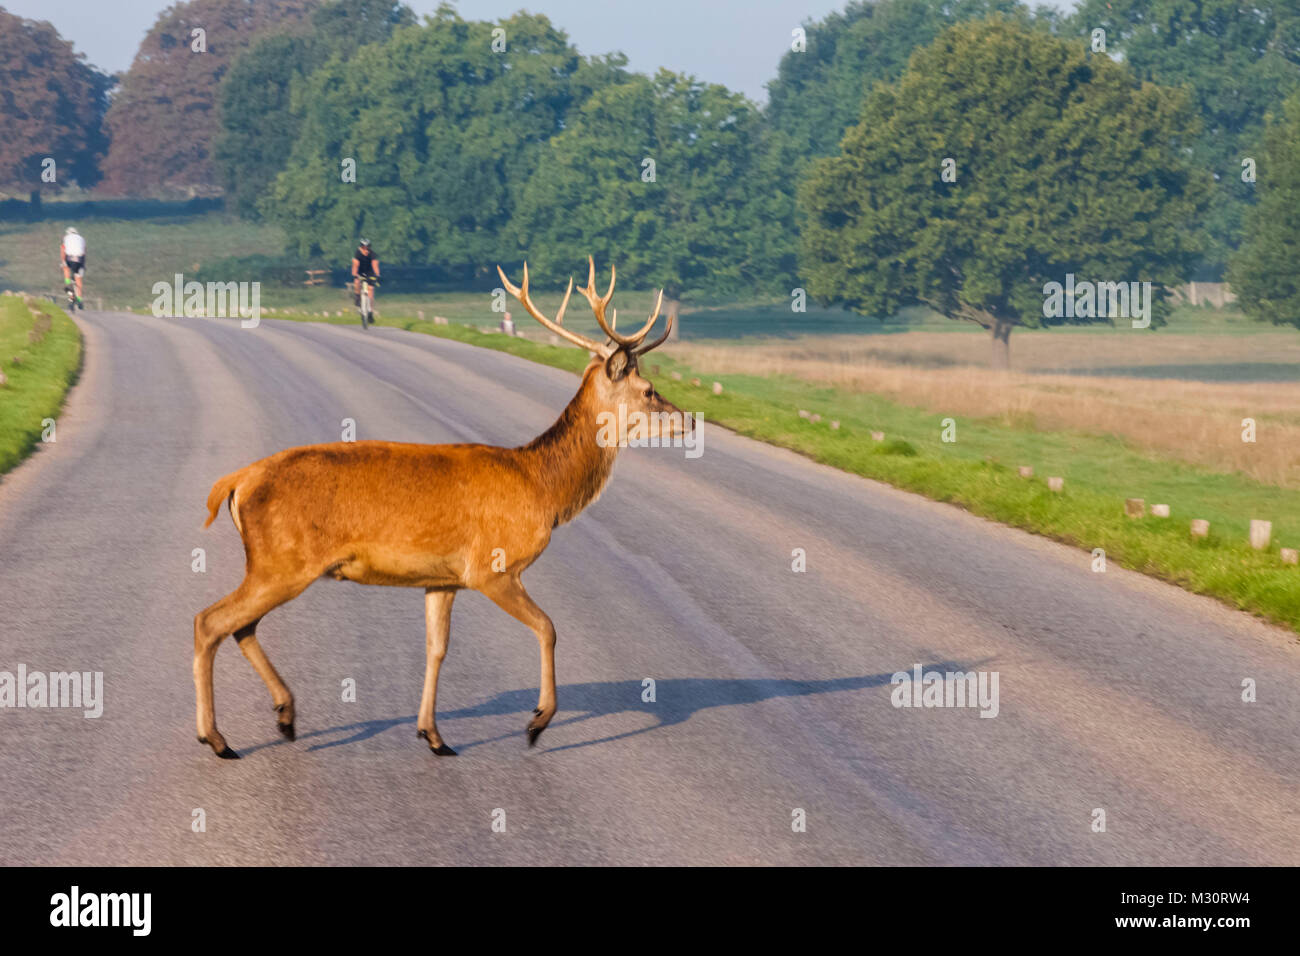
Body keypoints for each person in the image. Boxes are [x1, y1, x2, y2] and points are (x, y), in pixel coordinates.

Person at [61, 227, 86, 309]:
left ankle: (68, 283)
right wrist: (83, 265)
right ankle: (79, 299)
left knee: (65, 268)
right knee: (78, 280)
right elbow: (84, 252)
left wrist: (63, 262)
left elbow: (63, 250)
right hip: (80, 260)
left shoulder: (66, 238)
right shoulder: (82, 239)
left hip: (70, 258)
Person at [352, 239, 379, 307]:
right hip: (360, 271)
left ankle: (370, 310)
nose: (366, 250)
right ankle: (357, 297)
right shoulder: (358, 253)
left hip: (370, 272)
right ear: (361, 248)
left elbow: (375, 265)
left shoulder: (372, 254)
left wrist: (377, 275)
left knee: (371, 289)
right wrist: (355, 275)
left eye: (367, 248)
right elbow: (355, 265)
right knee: (357, 281)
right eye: (364, 248)